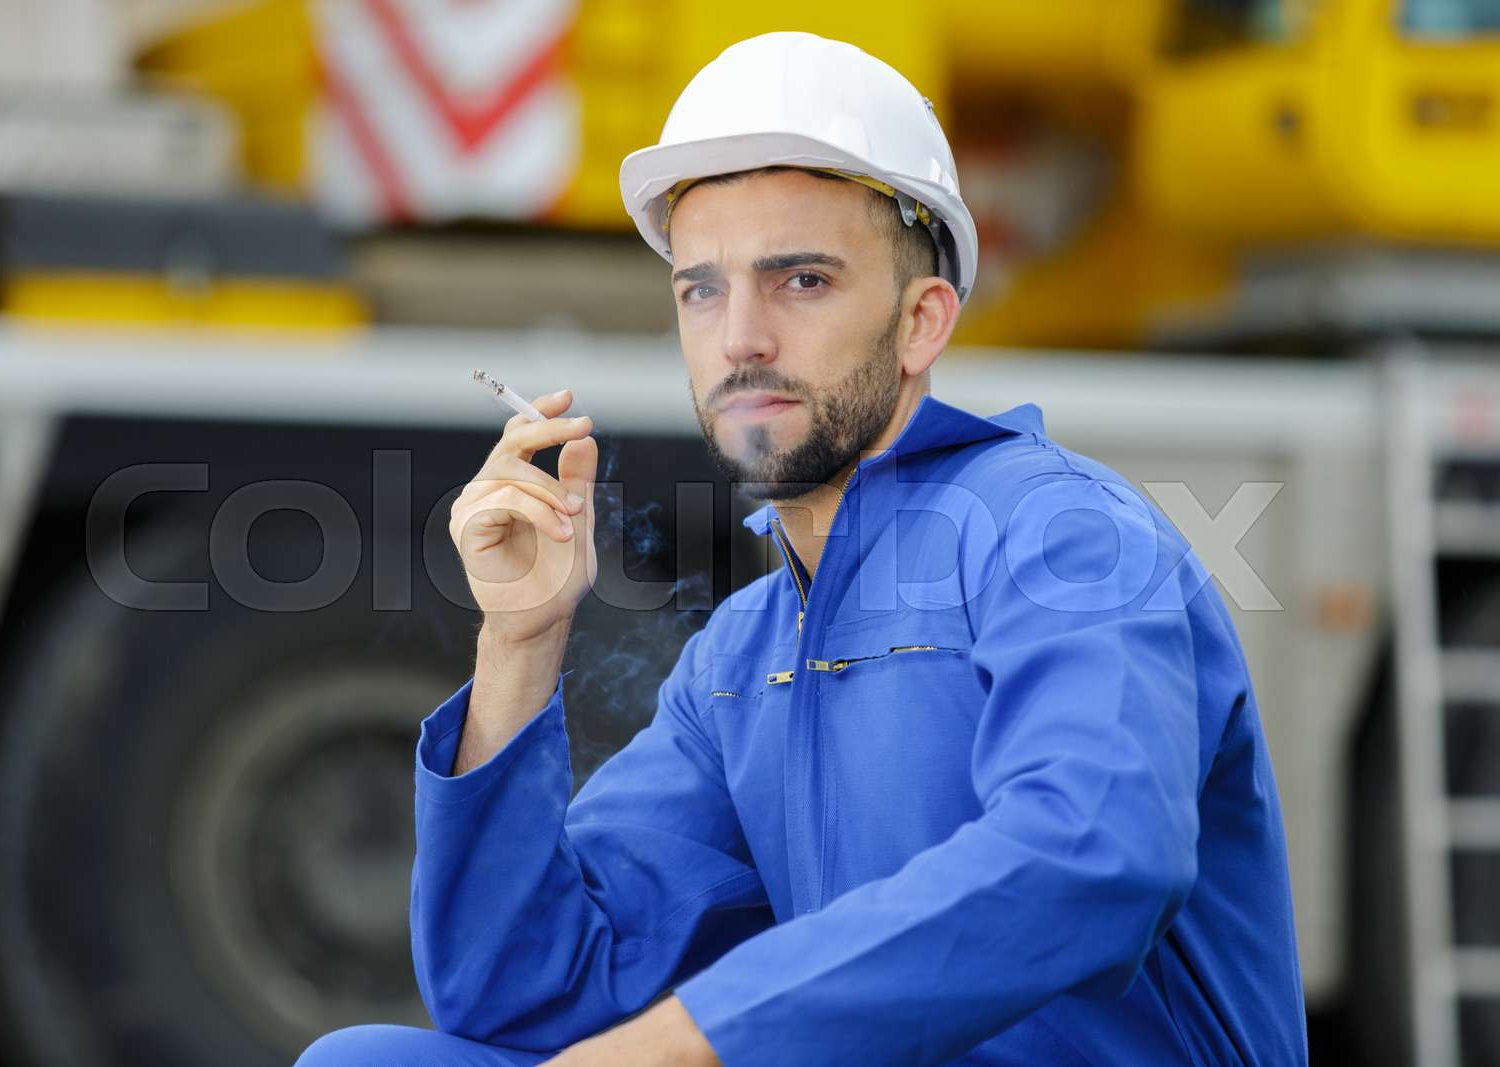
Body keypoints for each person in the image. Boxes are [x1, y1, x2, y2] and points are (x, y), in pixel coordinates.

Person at [297, 30, 1308, 1067]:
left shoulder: (1061, 537)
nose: (740, 336)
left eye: (802, 281)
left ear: (921, 322)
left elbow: (1095, 853)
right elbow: (526, 995)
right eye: (702, 288)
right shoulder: (743, 659)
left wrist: (698, 1036)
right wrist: (519, 641)